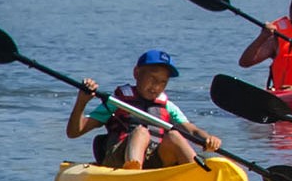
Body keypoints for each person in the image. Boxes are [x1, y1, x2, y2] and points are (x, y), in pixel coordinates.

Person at [67, 50, 226, 170]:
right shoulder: (118, 102)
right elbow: (74, 132)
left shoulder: (167, 106)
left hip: (155, 159)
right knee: (141, 132)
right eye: (152, 79)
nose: (156, 86)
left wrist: (208, 138)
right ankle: (133, 172)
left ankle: (197, 173)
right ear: (137, 73)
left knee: (174, 135)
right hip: (120, 158)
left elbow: (191, 129)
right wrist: (82, 101)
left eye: (163, 82)